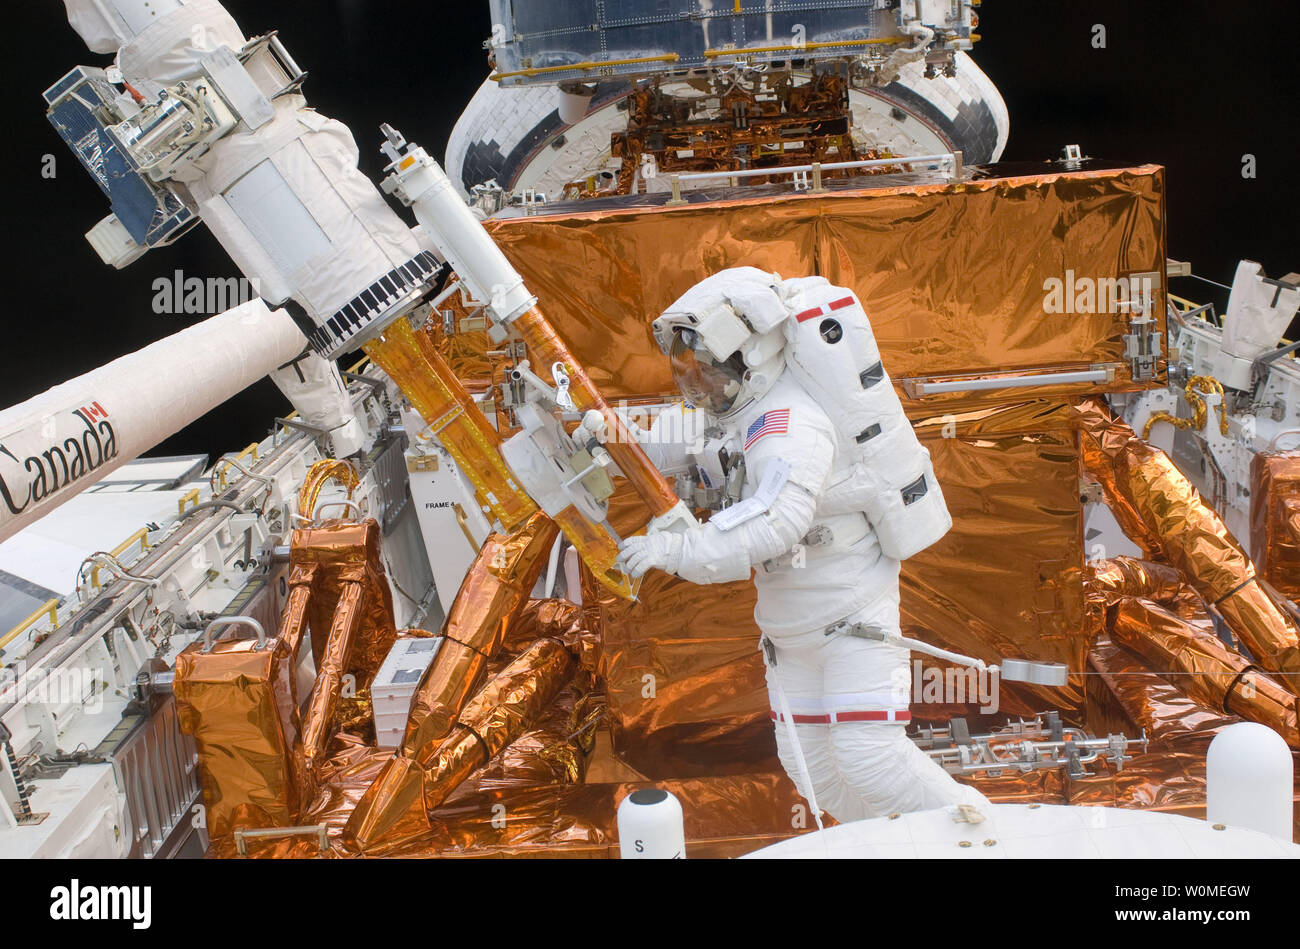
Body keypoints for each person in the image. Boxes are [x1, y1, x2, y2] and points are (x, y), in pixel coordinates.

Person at [615, 267, 989, 825]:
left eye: (709, 371)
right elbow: (666, 446)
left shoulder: (789, 424)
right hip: (790, 637)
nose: (700, 386)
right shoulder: (736, 412)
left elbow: (778, 522)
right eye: (689, 372)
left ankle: (997, 841)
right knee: (820, 781)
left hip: (851, 624)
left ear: (754, 356)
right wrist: (602, 434)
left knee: (872, 763)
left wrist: (676, 552)